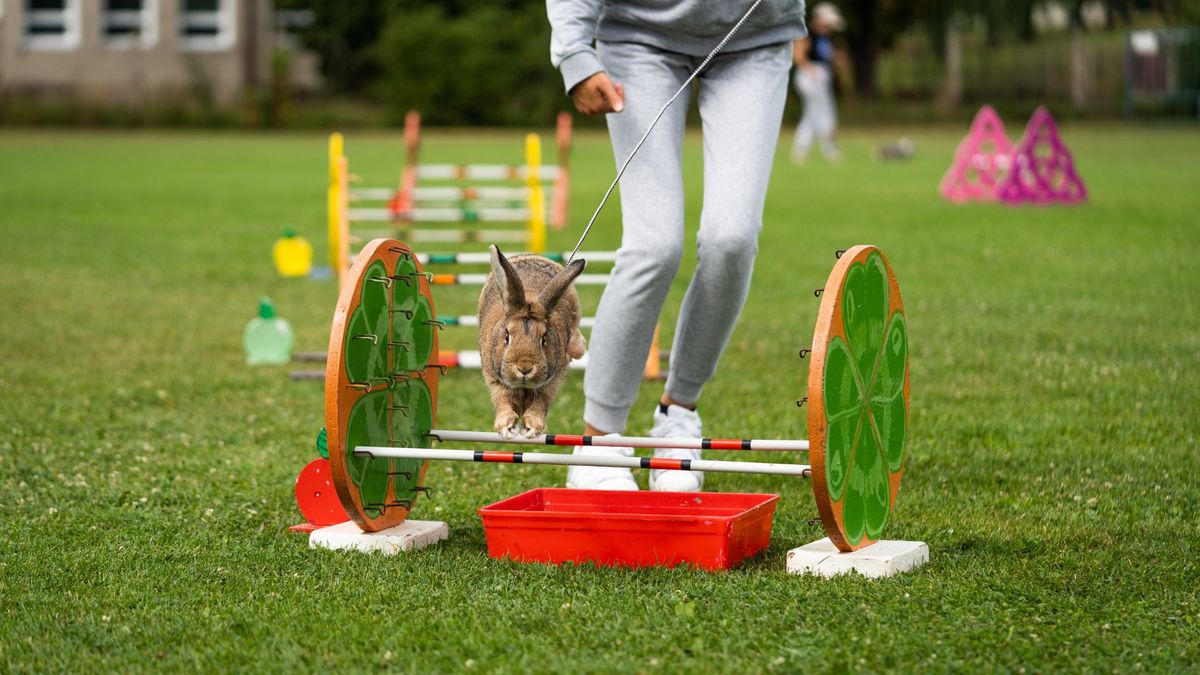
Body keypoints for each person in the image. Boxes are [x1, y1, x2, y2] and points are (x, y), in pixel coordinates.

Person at [546, 0, 807, 491]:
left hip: (755, 39)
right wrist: (575, 54)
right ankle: (599, 442)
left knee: (732, 238)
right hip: (638, 38)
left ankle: (677, 414)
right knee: (654, 244)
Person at [791, 2, 844, 163]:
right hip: (809, 77)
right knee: (817, 113)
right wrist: (809, 69)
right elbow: (798, 55)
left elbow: (825, 56)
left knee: (820, 113)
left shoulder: (826, 36)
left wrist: (837, 58)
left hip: (822, 76)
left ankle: (821, 150)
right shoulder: (808, 33)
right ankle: (821, 150)